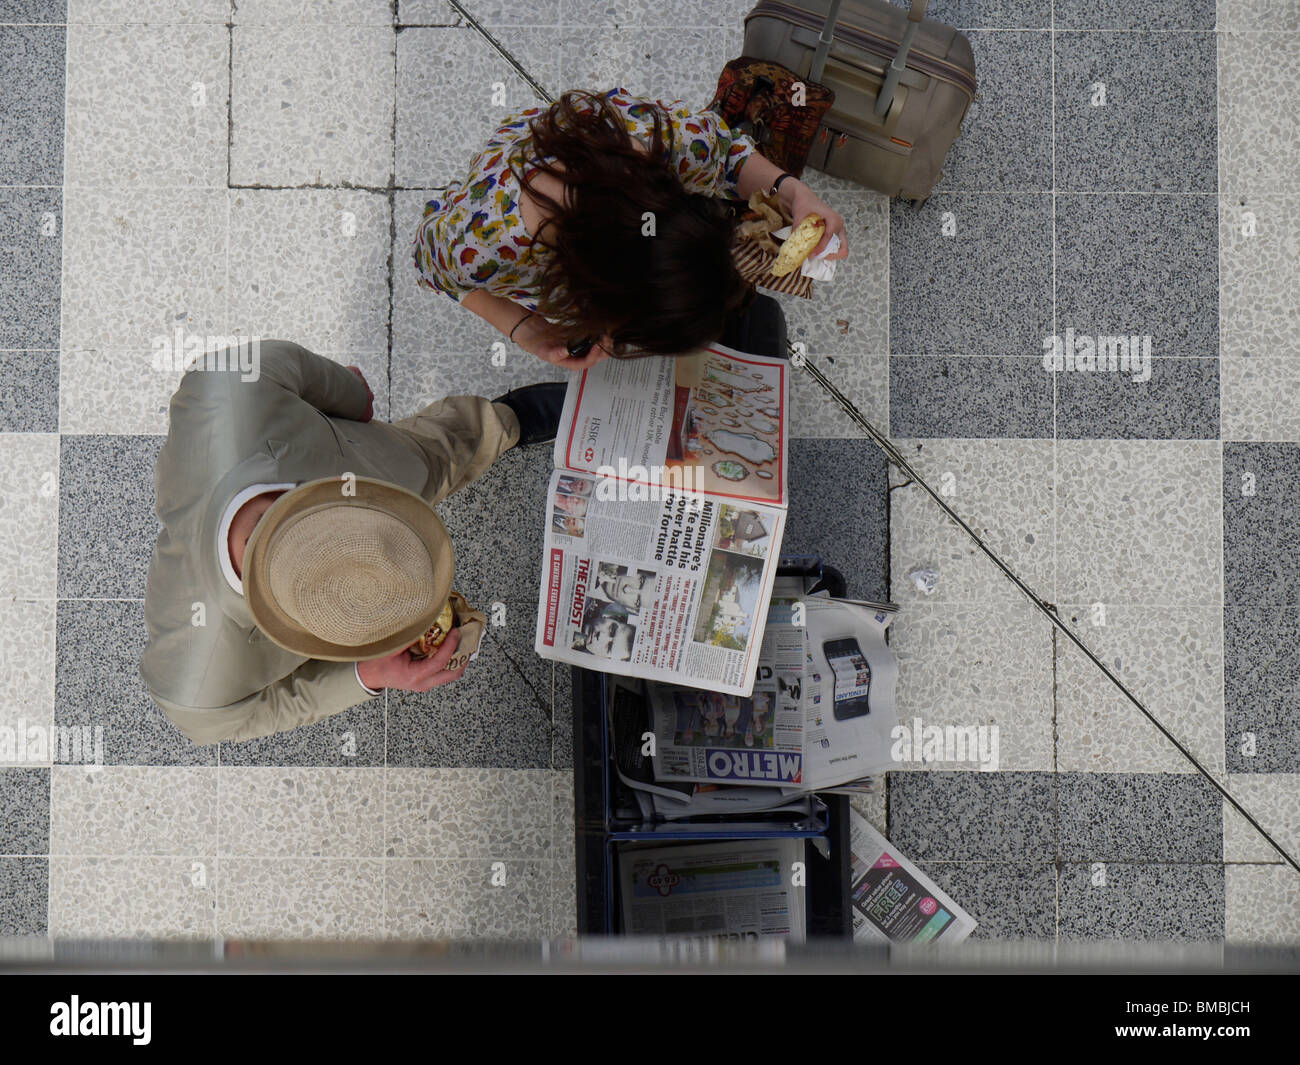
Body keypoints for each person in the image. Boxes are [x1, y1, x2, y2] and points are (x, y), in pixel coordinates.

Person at [139, 340, 565, 745]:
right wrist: (366, 673)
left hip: (366, 456)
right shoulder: (196, 681)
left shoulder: (228, 386)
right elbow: (219, 722)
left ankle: (502, 422)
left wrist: (350, 395)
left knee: (430, 456)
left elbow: (304, 372)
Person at [413, 87, 846, 370]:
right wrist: (525, 331)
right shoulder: (479, 244)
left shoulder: (649, 142)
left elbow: (727, 153)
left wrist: (790, 192)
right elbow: (432, 267)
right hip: (494, 190)